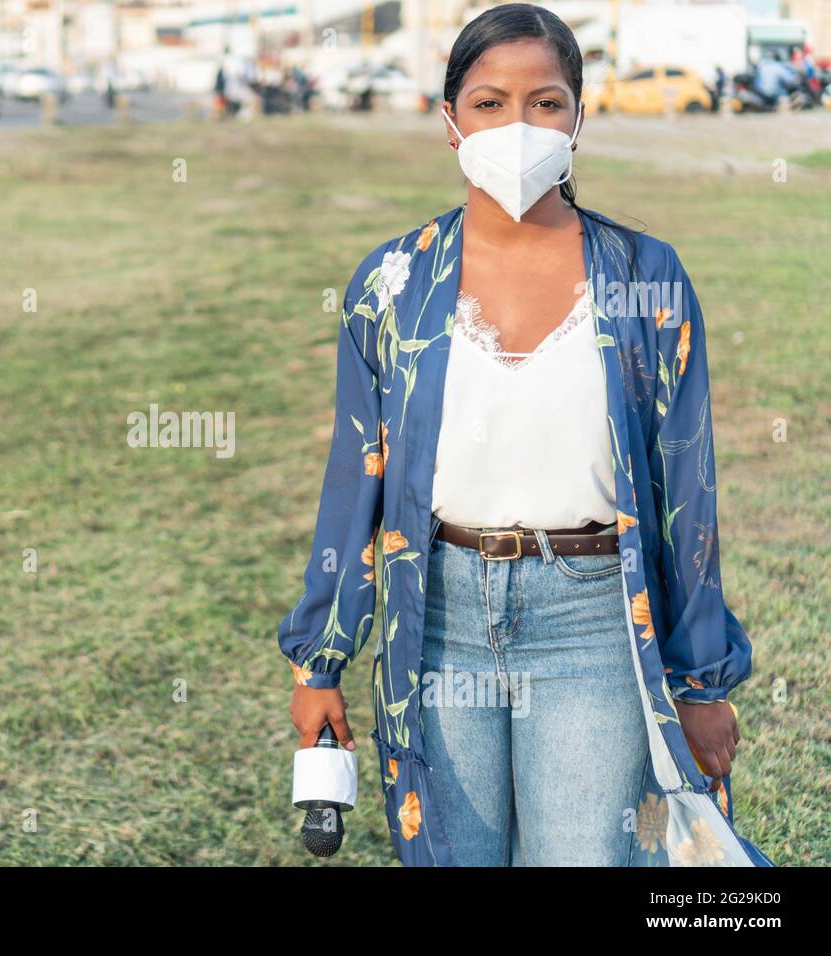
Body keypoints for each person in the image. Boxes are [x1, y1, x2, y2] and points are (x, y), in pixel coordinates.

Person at [277, 3, 771, 866]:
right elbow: (355, 480)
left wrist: (700, 682)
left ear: (577, 121)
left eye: (545, 103)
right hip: (439, 618)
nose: (517, 126)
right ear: (449, 121)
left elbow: (688, 491)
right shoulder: (393, 287)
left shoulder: (644, 277)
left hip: (593, 625)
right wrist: (320, 660)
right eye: (489, 103)